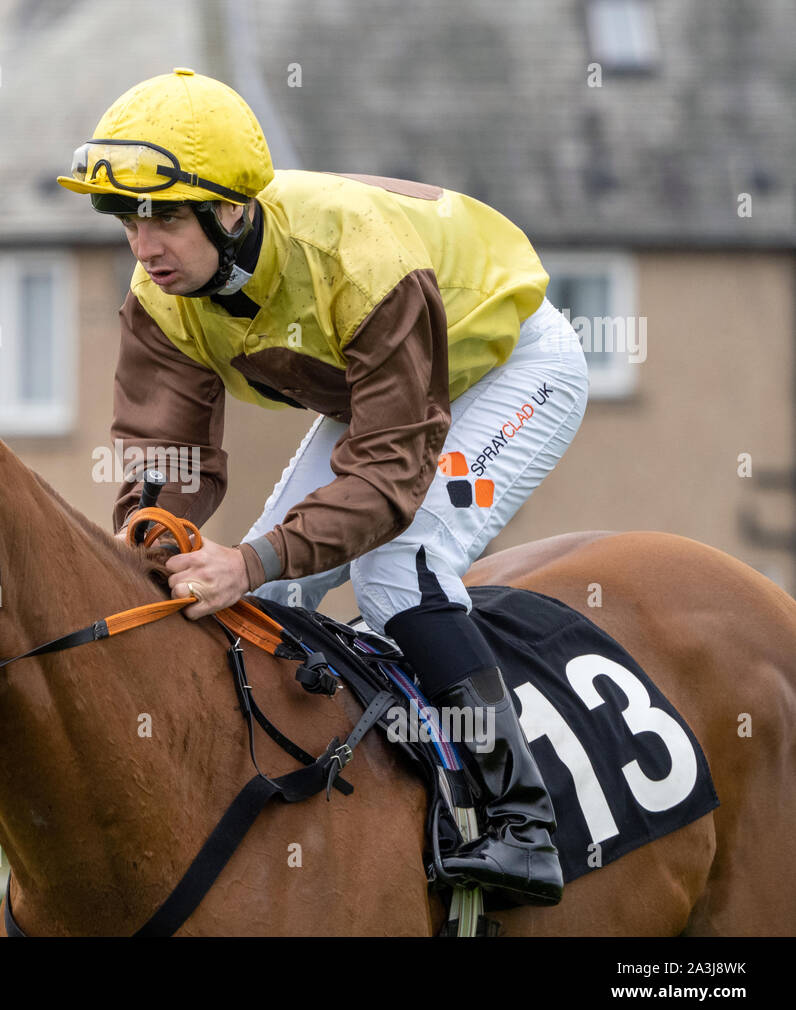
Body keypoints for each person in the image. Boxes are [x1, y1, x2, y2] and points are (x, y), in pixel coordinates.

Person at [57, 68, 589, 906]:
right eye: (128, 219)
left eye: (163, 216)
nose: (143, 244)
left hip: (509, 364)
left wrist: (251, 557)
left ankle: (522, 819)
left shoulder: (357, 258)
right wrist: (154, 539)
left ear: (230, 210)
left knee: (392, 566)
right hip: (380, 392)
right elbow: (166, 458)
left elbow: (388, 475)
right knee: (284, 587)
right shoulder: (159, 298)